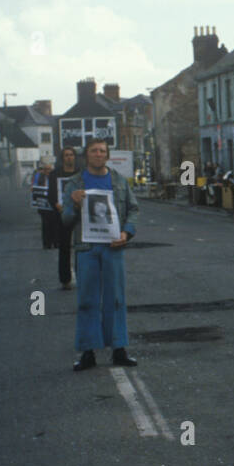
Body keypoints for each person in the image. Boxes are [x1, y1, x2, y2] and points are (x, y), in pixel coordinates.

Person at [60, 137, 139, 370]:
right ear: (87, 155)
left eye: (102, 151)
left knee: (115, 298)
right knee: (87, 300)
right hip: (87, 248)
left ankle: (119, 349)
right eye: (93, 150)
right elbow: (65, 220)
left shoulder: (120, 182)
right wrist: (74, 205)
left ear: (107, 155)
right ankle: (88, 352)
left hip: (113, 247)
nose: (98, 154)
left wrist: (126, 232)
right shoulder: (74, 183)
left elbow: (133, 209)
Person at [49, 146, 80, 289]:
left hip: (79, 213)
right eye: (66, 155)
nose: (69, 157)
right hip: (62, 214)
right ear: (62, 158)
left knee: (82, 247)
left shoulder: (81, 173)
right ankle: (65, 279)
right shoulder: (55, 174)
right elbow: (50, 194)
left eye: (71, 155)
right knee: (64, 246)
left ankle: (83, 276)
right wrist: (56, 204)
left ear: (75, 157)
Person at [32, 158, 56, 249]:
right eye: (46, 169)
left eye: (49, 169)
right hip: (43, 205)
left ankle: (55, 242)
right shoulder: (39, 177)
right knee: (45, 225)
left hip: (53, 204)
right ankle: (46, 244)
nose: (47, 171)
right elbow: (35, 188)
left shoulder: (55, 178)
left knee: (54, 224)